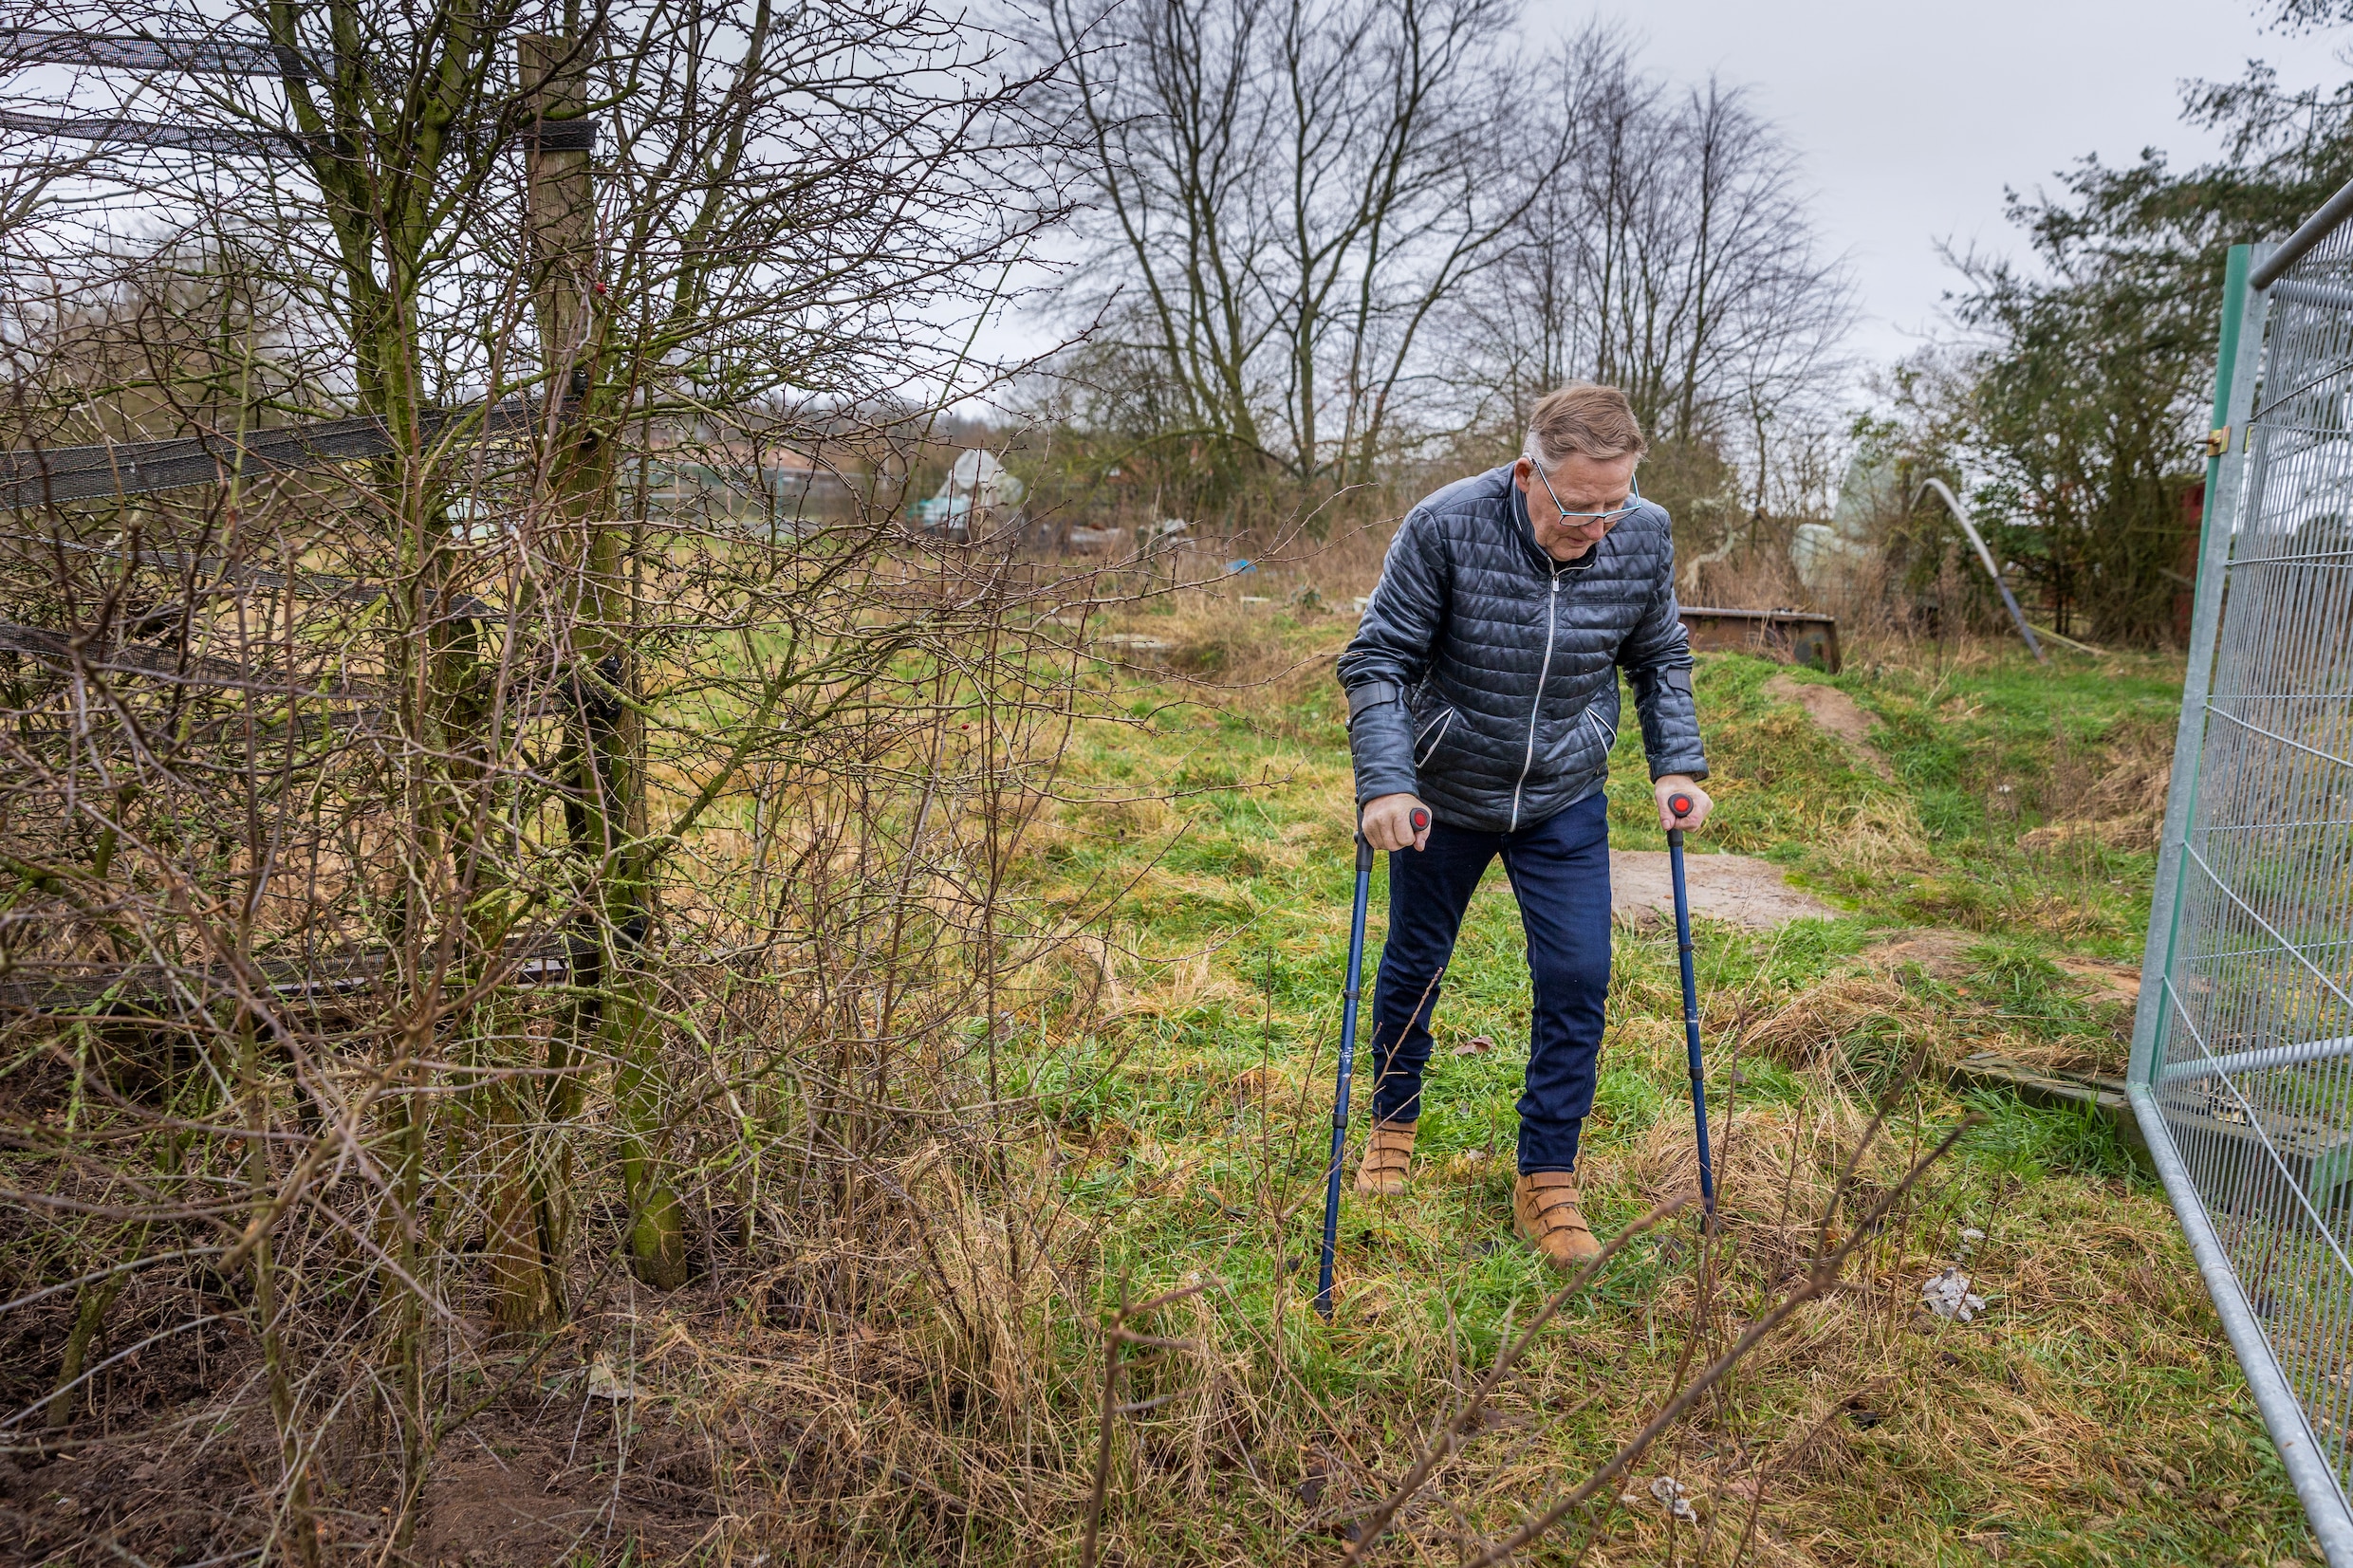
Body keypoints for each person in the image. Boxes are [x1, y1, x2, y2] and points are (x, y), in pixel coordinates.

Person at [1335, 383, 1712, 1269]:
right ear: (1527, 475)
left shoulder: (1643, 533)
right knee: (1417, 962)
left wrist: (1676, 764)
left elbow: (1660, 655)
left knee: (1580, 973)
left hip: (1563, 793)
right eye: (1581, 507)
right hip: (1446, 789)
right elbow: (1377, 655)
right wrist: (1387, 782)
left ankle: (1547, 1172)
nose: (1601, 526)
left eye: (1616, 504)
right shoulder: (1446, 524)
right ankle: (1392, 1119)